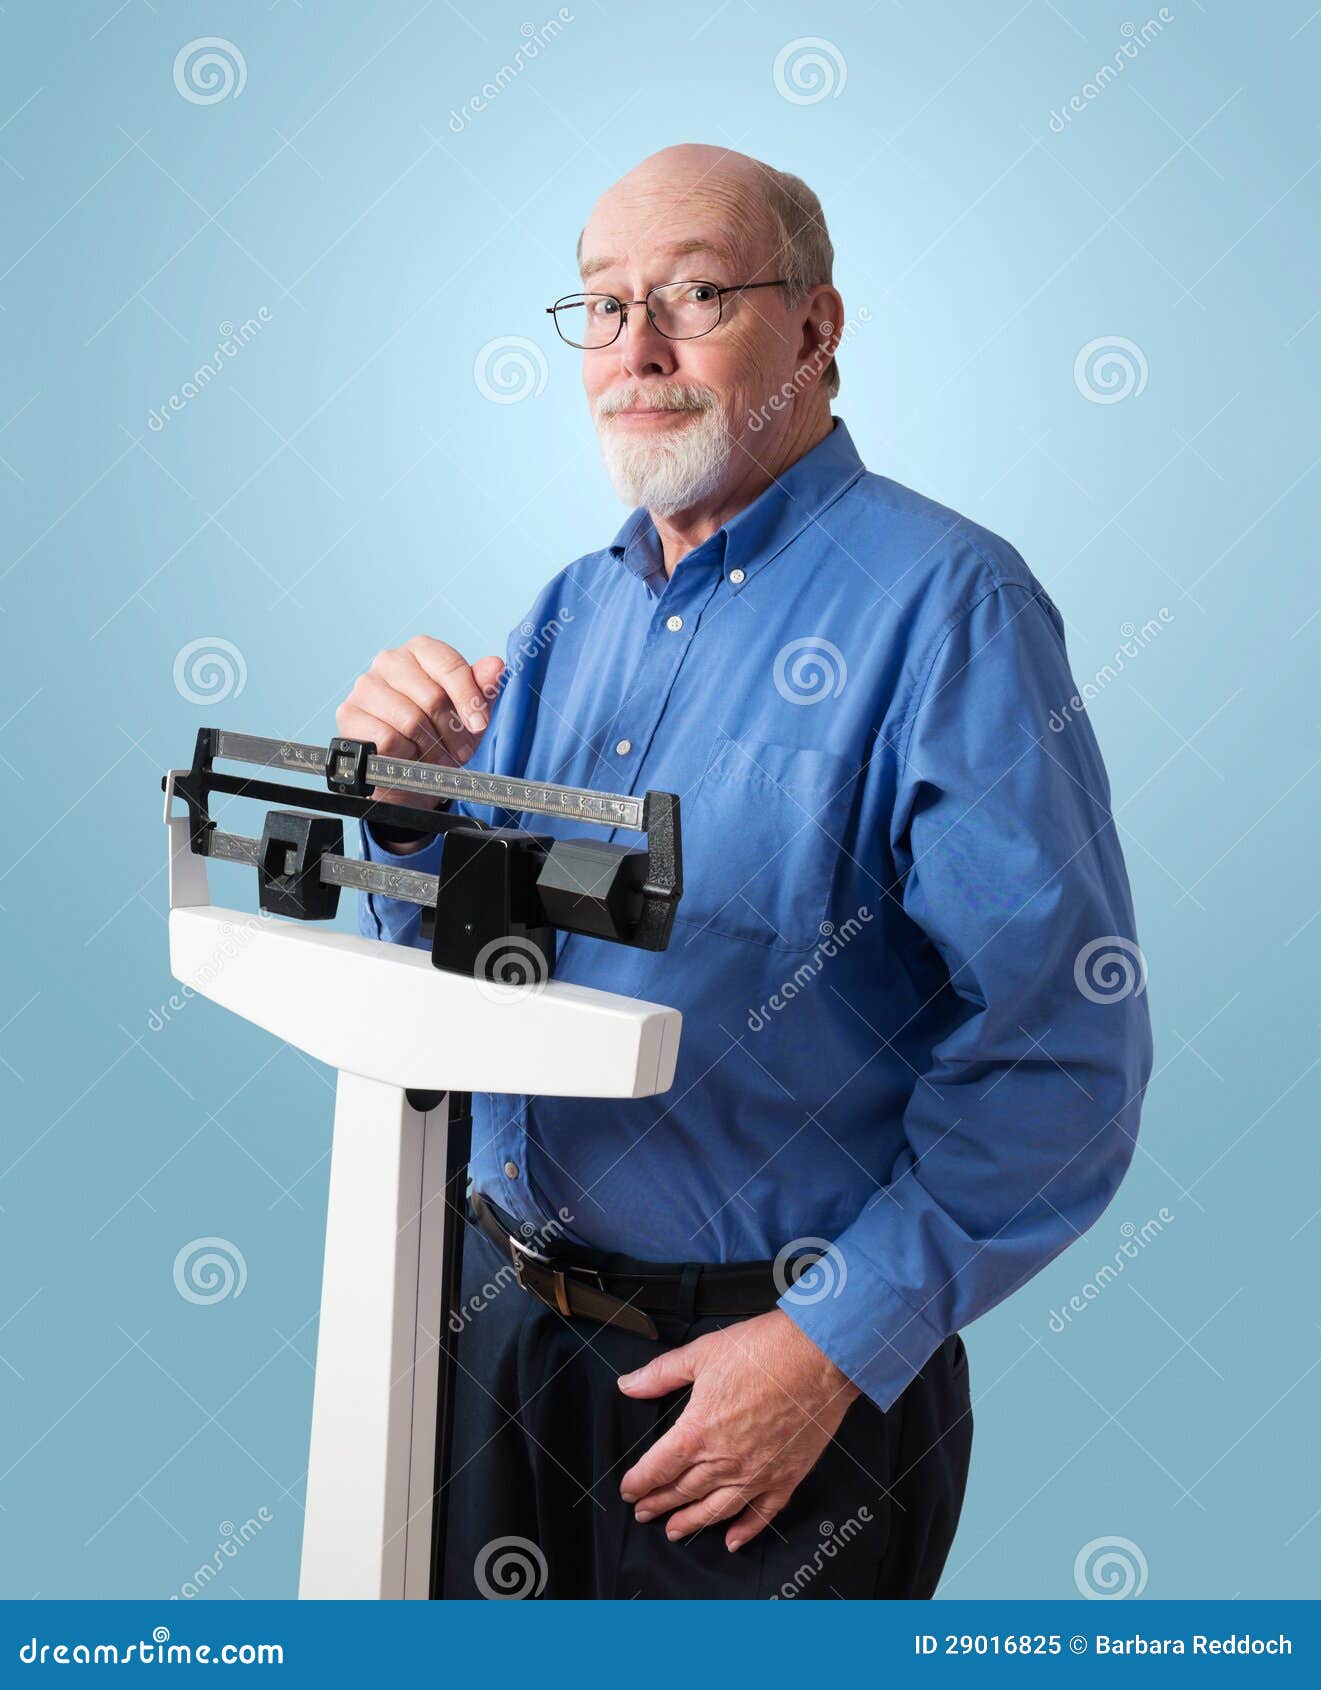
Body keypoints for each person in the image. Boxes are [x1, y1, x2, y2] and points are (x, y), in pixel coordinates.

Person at [336, 143, 1153, 1600]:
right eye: (600, 306)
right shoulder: (570, 611)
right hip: (495, 1351)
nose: (634, 350)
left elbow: (1061, 1050)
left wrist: (830, 1344)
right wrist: (407, 824)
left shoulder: (950, 607)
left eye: (694, 294)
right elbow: (471, 987)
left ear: (817, 328)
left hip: (758, 1396)